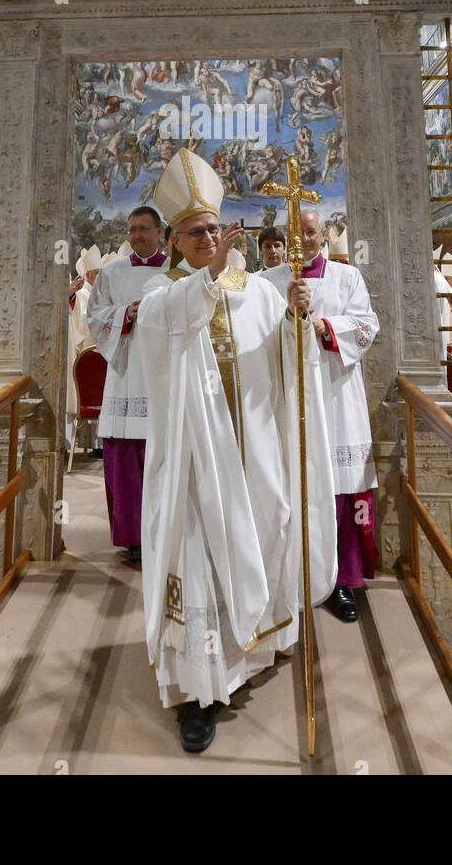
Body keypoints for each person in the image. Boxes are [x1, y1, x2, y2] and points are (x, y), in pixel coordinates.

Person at [135, 149, 336, 752]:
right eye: (196, 232)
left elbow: (288, 364)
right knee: (198, 566)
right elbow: (175, 323)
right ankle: (199, 693)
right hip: (197, 467)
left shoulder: (258, 293)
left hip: (257, 457)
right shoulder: (161, 296)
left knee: (265, 541)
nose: (208, 237)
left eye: (214, 229)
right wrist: (208, 276)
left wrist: (297, 320)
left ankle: (252, 654)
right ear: (174, 240)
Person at [265, 211, 378, 622]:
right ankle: (291, 575)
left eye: (310, 233)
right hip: (289, 400)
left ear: (324, 234)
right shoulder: (267, 283)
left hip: (335, 399)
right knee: (293, 488)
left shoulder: (347, 278)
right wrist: (288, 320)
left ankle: (343, 581)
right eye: (295, 234)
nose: (303, 241)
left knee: (341, 490)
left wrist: (322, 326)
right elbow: (255, 340)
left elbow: (367, 326)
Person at [86, 207, 168, 561]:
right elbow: (94, 317)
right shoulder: (112, 272)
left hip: (163, 373)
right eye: (132, 229)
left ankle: (166, 532)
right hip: (125, 372)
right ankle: (134, 537)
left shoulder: (175, 271)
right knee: (127, 459)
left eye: (144, 229)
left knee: (163, 455)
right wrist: (127, 314)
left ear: (160, 232)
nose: (136, 236)